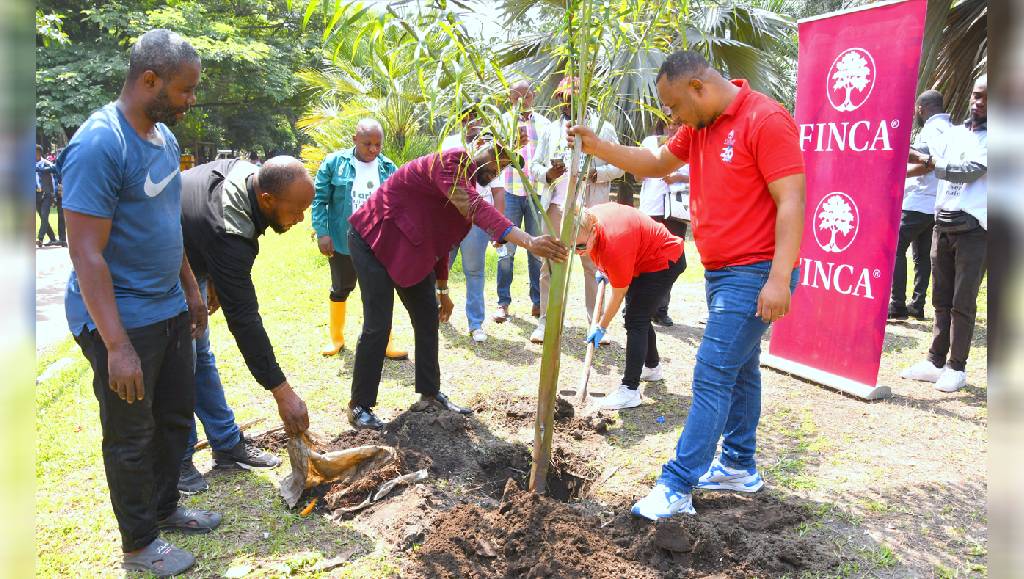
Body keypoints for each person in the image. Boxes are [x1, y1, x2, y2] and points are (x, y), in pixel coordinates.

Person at [568, 51, 805, 519]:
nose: (672, 116)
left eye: (674, 106)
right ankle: (738, 465)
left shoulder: (765, 119)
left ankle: (677, 486)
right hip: (722, 271)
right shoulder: (699, 125)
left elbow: (793, 199)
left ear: (698, 87)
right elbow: (655, 161)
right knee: (740, 370)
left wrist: (780, 278)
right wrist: (598, 147)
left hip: (755, 271)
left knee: (712, 373)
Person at [59, 29, 216, 576]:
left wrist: (191, 290)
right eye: (184, 90)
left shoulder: (163, 139)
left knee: (174, 419)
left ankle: (167, 508)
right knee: (131, 436)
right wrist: (117, 345)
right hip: (121, 320)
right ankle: (139, 544)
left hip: (169, 308)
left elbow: (166, 222)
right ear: (149, 81)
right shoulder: (100, 144)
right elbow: (85, 253)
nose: (190, 100)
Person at [346, 144, 568, 429]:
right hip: (374, 237)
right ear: (482, 150)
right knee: (378, 324)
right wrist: (529, 241)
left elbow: (440, 244)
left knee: (427, 318)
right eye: (495, 160)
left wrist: (442, 289)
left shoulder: (465, 196)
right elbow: (476, 207)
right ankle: (360, 406)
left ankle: (429, 394)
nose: (496, 170)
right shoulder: (451, 161)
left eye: (502, 168)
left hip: (409, 248)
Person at [176, 156, 315, 493]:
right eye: (296, 210)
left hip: (196, 254)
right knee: (179, 360)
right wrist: (281, 391)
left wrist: (217, 280)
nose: (300, 218)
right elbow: (244, 319)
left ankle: (226, 444)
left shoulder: (248, 175)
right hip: (160, 266)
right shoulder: (229, 230)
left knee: (200, 354)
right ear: (266, 199)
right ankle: (177, 460)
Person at [902, 75, 987, 393]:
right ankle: (935, 361)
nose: (978, 102)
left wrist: (925, 159)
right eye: (976, 96)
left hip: (975, 230)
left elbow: (970, 172)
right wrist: (900, 167)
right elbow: (928, 162)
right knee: (940, 297)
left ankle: (957, 367)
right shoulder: (955, 134)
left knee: (962, 301)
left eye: (987, 98)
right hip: (943, 223)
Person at [530, 76, 623, 343]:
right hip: (556, 207)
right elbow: (535, 166)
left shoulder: (601, 128)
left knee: (592, 265)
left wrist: (595, 174)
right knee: (549, 265)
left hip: (589, 210)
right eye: (562, 99)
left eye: (571, 98)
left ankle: (594, 324)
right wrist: (548, 173)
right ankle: (545, 322)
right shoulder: (551, 130)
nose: (565, 104)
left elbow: (618, 166)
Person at [576, 203, 685, 410]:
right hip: (640, 257)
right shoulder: (589, 218)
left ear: (593, 230)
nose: (577, 252)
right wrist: (604, 267)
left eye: (580, 247)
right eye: (572, 247)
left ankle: (630, 390)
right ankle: (652, 367)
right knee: (637, 315)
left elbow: (618, 294)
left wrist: (601, 326)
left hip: (663, 259)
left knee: (636, 319)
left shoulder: (615, 245)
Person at [313, 118, 407, 359]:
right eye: (367, 144)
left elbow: (398, 204)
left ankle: (386, 342)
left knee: (380, 291)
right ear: (355, 140)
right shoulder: (335, 163)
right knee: (341, 288)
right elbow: (320, 199)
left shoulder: (388, 167)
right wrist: (322, 232)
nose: (373, 149)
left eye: (378, 144)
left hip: (378, 242)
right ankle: (336, 338)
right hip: (343, 240)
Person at [442, 105, 507, 343]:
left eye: (476, 118)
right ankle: (434, 312)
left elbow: (498, 191)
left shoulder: (491, 150)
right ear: (459, 119)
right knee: (441, 267)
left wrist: (497, 229)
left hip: (476, 222)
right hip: (448, 218)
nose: (472, 122)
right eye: (467, 117)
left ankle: (476, 324)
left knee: (475, 271)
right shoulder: (448, 143)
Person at [888, 90, 951, 320]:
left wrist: (900, 174)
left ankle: (897, 304)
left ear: (920, 109)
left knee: (895, 248)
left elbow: (928, 163)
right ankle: (917, 304)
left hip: (918, 200)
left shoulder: (931, 130)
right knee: (922, 256)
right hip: (937, 202)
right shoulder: (951, 129)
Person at [495, 81, 548, 322]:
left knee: (536, 249)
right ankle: (503, 303)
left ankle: (537, 303)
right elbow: (493, 157)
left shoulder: (545, 124)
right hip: (509, 192)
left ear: (534, 97)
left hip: (536, 194)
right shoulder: (501, 122)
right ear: (509, 97)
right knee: (506, 249)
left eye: (526, 96)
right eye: (517, 96)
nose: (522, 100)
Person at [637, 114, 690, 326]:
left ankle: (660, 308)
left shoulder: (690, 144)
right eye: (669, 122)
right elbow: (637, 175)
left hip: (675, 211)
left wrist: (677, 177)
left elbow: (700, 175)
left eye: (678, 123)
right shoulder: (651, 142)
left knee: (672, 261)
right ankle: (638, 304)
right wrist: (651, 165)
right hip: (651, 208)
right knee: (647, 260)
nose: (673, 127)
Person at [35, 145, 59, 247]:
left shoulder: (47, 164)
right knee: (42, 217)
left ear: (39, 153)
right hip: (35, 194)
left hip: (46, 194)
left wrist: (54, 194)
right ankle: (53, 238)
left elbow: (53, 180)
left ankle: (40, 239)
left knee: (44, 215)